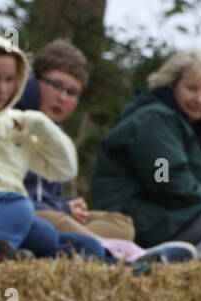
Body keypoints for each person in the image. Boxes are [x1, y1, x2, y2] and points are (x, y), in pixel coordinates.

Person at [0, 29, 107, 260]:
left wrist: (40, 123)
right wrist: (2, 125)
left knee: (85, 245)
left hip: (17, 212)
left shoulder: (22, 122)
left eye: (10, 80)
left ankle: (15, 256)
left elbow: (65, 170)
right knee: (27, 213)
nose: (3, 89)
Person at [91, 50, 201, 264]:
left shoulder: (173, 121)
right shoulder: (153, 120)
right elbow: (163, 177)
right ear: (171, 85)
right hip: (142, 221)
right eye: (192, 89)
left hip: (158, 217)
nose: (199, 99)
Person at [18, 39, 136, 244]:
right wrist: (62, 209)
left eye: (72, 92)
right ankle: (116, 254)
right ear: (34, 80)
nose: (62, 98)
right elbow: (10, 197)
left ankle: (88, 244)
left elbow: (46, 195)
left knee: (122, 224)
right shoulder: (15, 120)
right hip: (23, 214)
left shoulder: (57, 131)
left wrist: (66, 205)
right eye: (56, 85)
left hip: (53, 213)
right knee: (59, 221)